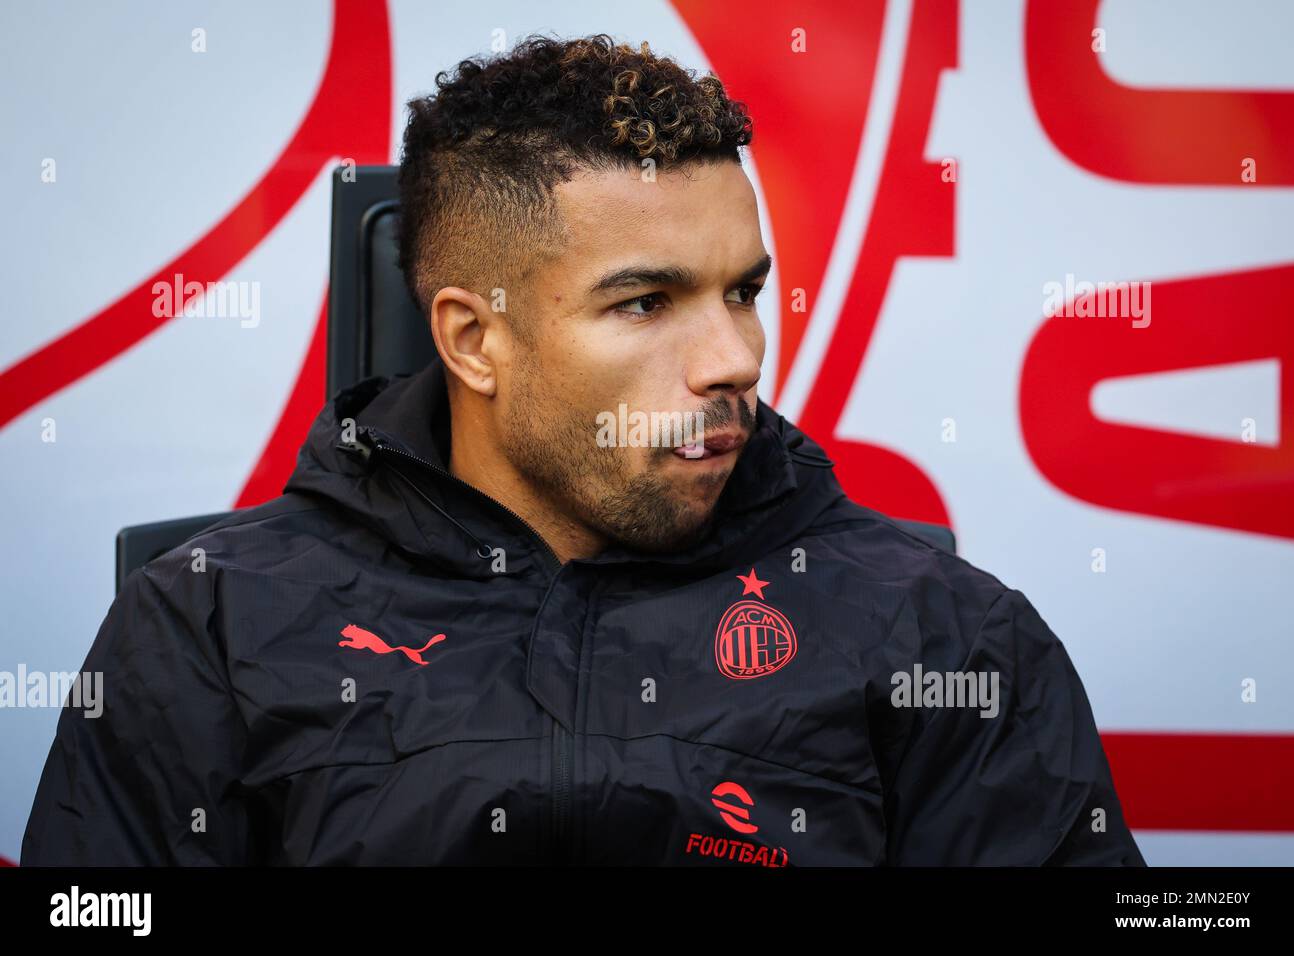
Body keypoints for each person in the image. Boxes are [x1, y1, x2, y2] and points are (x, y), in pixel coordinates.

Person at [22, 34, 1144, 866]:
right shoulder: (211, 624)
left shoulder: (944, 631)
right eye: (647, 302)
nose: (733, 358)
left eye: (742, 291)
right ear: (473, 336)